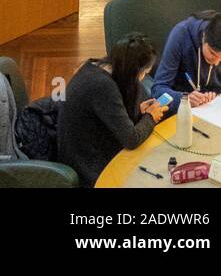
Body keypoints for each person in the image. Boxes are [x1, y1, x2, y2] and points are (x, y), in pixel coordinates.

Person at [57, 33, 165, 188]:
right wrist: (150, 117)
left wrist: (139, 113)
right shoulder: (103, 87)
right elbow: (131, 139)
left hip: (92, 147)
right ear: (133, 71)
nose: (142, 79)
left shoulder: (96, 67)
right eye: (144, 73)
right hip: (89, 166)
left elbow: (110, 115)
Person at [151, 11, 221, 113]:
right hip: (184, 110)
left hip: (219, 109)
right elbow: (158, 89)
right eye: (212, 53)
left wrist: (218, 97)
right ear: (204, 36)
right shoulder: (181, 34)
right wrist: (183, 99)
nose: (216, 63)